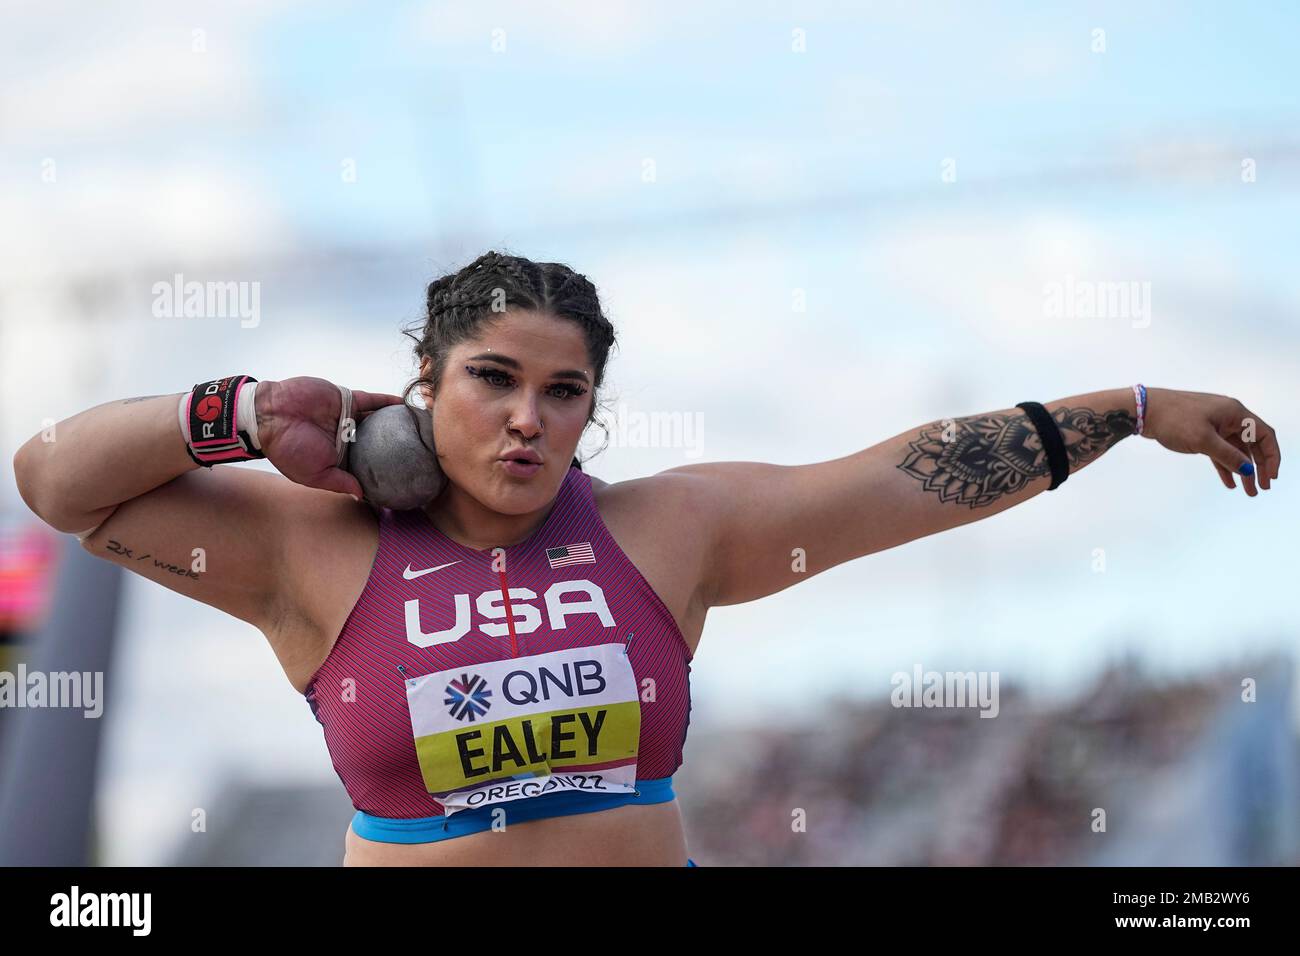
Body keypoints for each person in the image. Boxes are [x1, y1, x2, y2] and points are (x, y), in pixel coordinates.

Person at [11, 251, 1281, 867]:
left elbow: (910, 476)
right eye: (493, 379)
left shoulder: (667, 530)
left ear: (591, 412)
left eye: (564, 391)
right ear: (418, 390)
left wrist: (1130, 404)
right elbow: (55, 479)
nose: (528, 416)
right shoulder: (311, 550)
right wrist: (237, 413)